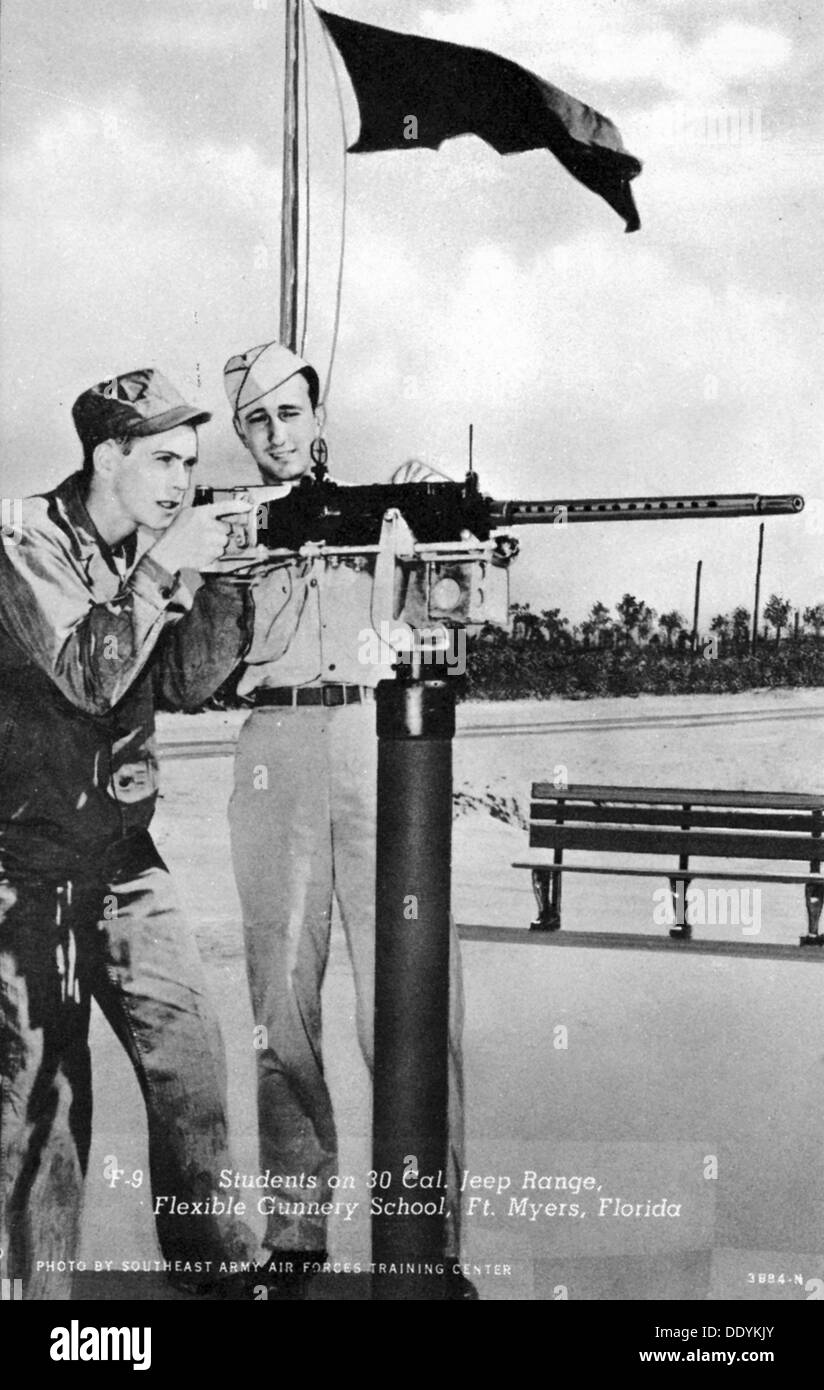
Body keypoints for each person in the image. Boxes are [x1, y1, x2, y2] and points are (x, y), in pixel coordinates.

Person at [0, 367, 262, 1300]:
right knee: (48, 1106)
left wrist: (224, 583)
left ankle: (216, 1274)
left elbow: (186, 684)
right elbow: (86, 673)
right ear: (107, 454)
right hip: (25, 867)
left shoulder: (149, 553)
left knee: (193, 1062)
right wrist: (163, 570)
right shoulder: (27, 537)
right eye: (162, 460)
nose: (181, 482)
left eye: (191, 464)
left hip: (123, 862)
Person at [223, 340, 474, 1298]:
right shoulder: (232, 526)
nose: (277, 435)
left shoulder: (381, 513)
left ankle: (429, 1244)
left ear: (318, 419)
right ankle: (295, 1231)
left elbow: (441, 608)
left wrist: (434, 504)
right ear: (244, 435)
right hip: (271, 749)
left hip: (381, 741)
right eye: (257, 420)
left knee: (413, 1001)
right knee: (279, 1001)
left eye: (291, 414)